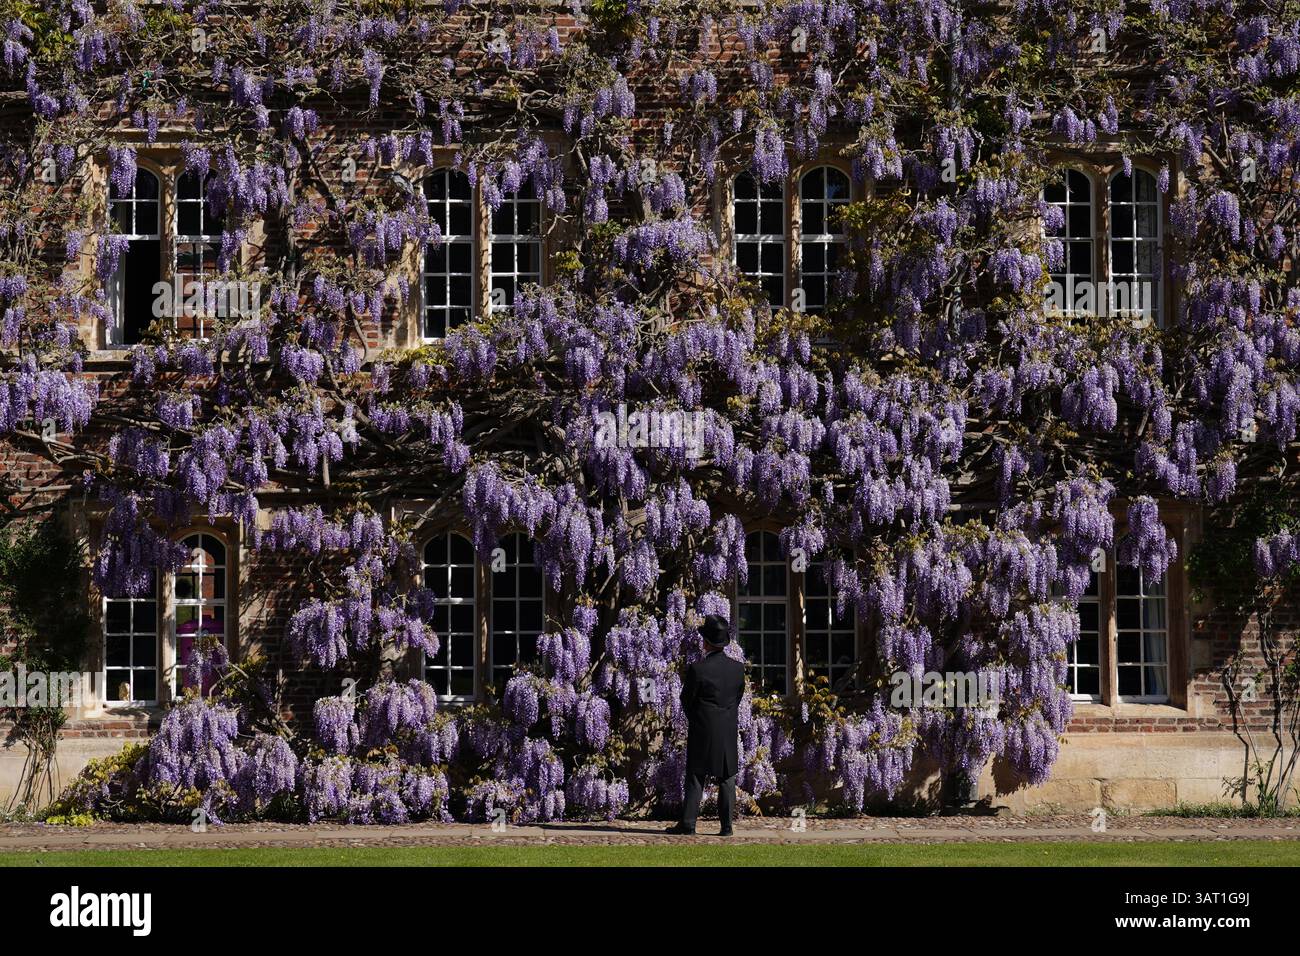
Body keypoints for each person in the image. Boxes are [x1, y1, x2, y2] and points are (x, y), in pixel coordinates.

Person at [666, 614, 746, 836]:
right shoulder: (738, 668)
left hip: (702, 729)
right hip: (728, 729)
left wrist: (699, 718)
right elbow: (738, 697)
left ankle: (688, 824)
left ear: (706, 642)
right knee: (727, 777)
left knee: (695, 775)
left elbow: (686, 699)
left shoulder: (697, 669)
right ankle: (727, 827)